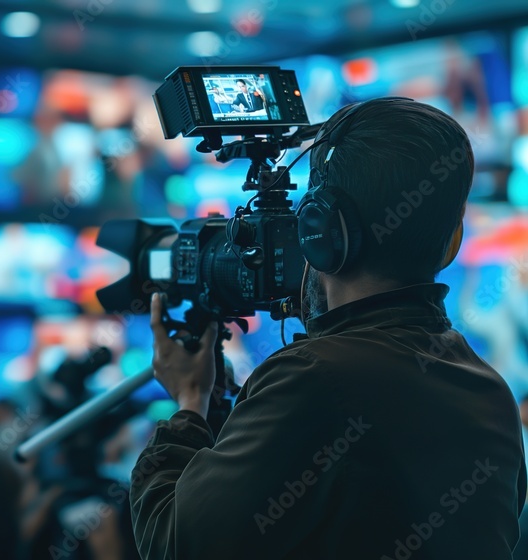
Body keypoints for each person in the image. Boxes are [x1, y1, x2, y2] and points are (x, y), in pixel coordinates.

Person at [130, 98, 527, 558]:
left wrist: (189, 406)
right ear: (452, 241)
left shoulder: (311, 380)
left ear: (319, 230)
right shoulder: (492, 394)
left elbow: (173, 542)